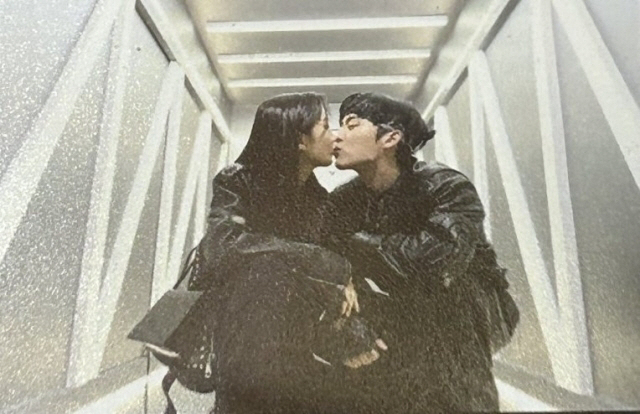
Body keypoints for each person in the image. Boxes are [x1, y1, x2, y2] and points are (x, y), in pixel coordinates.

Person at [317, 92, 518, 413]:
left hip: (454, 337)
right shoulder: (342, 201)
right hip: (386, 336)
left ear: (390, 138)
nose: (338, 136)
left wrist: (355, 244)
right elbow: (320, 269)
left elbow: (435, 263)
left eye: (352, 125)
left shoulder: (444, 186)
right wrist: (346, 325)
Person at [191, 92, 385, 414]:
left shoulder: (317, 197)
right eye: (325, 127)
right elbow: (222, 243)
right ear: (300, 140)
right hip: (247, 339)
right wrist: (315, 259)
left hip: (298, 341)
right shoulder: (238, 180)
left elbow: (333, 270)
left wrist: (355, 327)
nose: (335, 136)